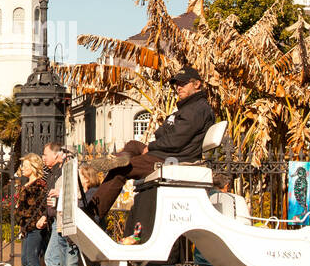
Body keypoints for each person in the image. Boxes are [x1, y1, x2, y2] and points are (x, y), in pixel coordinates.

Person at [91, 66, 216, 221]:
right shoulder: (186, 108)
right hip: (165, 152)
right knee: (133, 145)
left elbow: (176, 140)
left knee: (120, 170)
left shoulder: (197, 109)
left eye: (183, 83)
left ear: (196, 84)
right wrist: (155, 142)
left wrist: (151, 147)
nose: (178, 87)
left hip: (172, 158)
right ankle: (114, 160)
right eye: (177, 84)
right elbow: (161, 132)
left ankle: (93, 214)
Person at [14, 153, 49, 266]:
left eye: (26, 166)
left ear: (34, 167)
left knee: (32, 259)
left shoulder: (40, 184)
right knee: (25, 260)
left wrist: (27, 218)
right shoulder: (27, 184)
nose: (23, 169)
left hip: (35, 227)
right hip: (26, 227)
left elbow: (41, 206)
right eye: (23, 166)